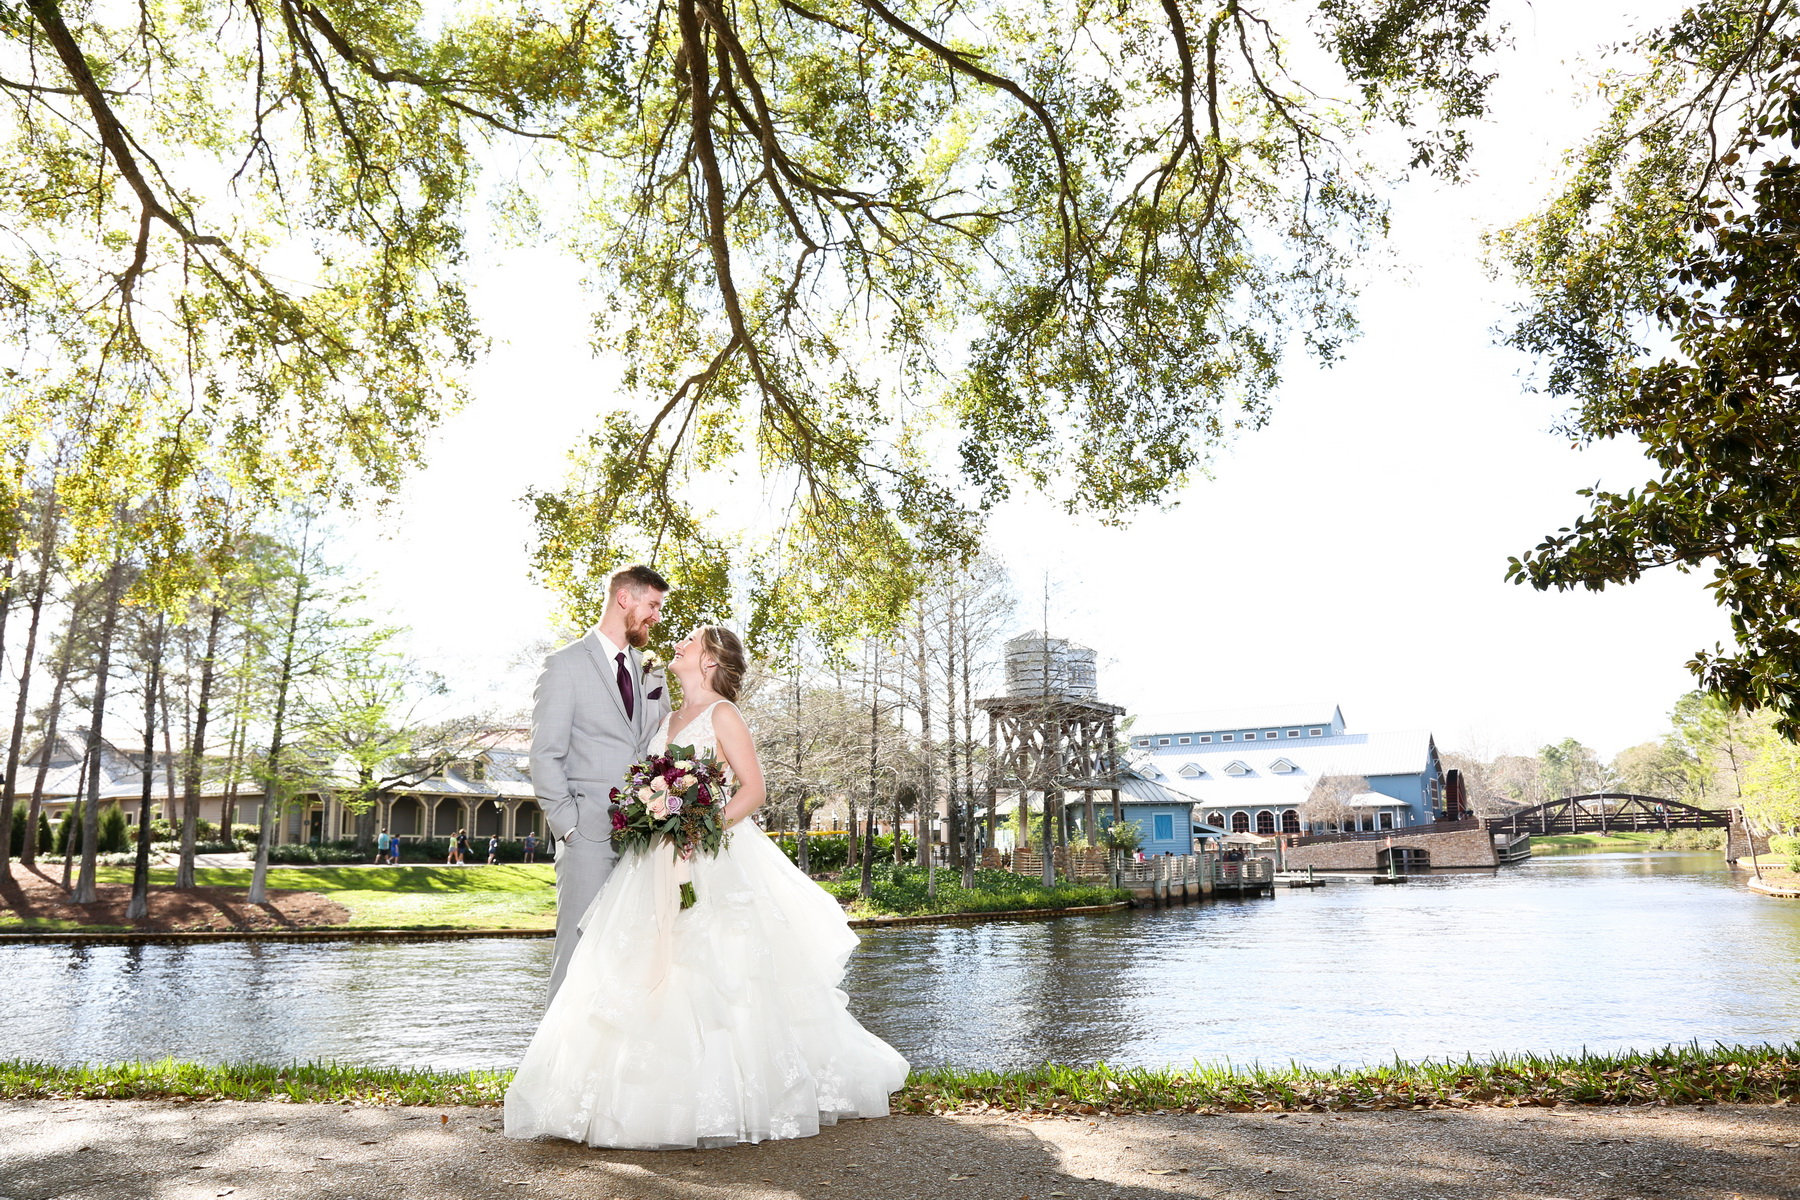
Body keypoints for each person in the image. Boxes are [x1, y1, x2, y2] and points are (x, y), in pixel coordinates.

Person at [505, 624, 908, 1151]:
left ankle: (732, 1098)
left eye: (689, 642)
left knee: (718, 972)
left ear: (712, 660)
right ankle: (619, 1102)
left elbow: (754, 789)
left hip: (708, 856)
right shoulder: (666, 717)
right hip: (651, 861)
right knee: (636, 965)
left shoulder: (724, 715)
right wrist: (647, 814)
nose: (677, 645)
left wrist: (701, 827)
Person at [527, 564, 673, 999]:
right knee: (576, 957)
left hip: (644, 841)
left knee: (632, 956)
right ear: (624, 599)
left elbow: (659, 745)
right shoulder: (564, 665)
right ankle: (554, 1068)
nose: (656, 617)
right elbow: (545, 753)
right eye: (652, 605)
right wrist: (568, 826)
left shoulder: (653, 671)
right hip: (587, 834)